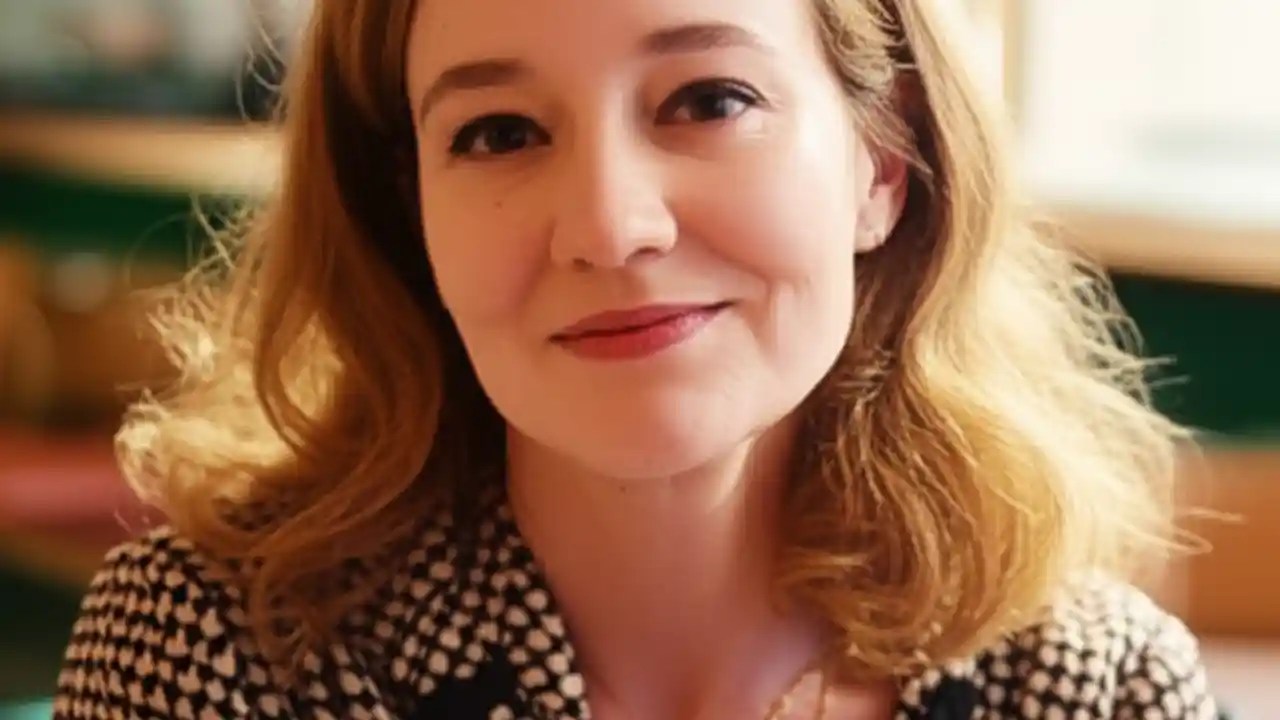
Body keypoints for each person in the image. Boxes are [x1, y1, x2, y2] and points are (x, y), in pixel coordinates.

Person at [54, 0, 1219, 718]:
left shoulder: (1095, 691)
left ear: (881, 166)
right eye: (498, 133)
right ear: (411, 211)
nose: (610, 226)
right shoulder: (213, 652)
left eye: (708, 99)